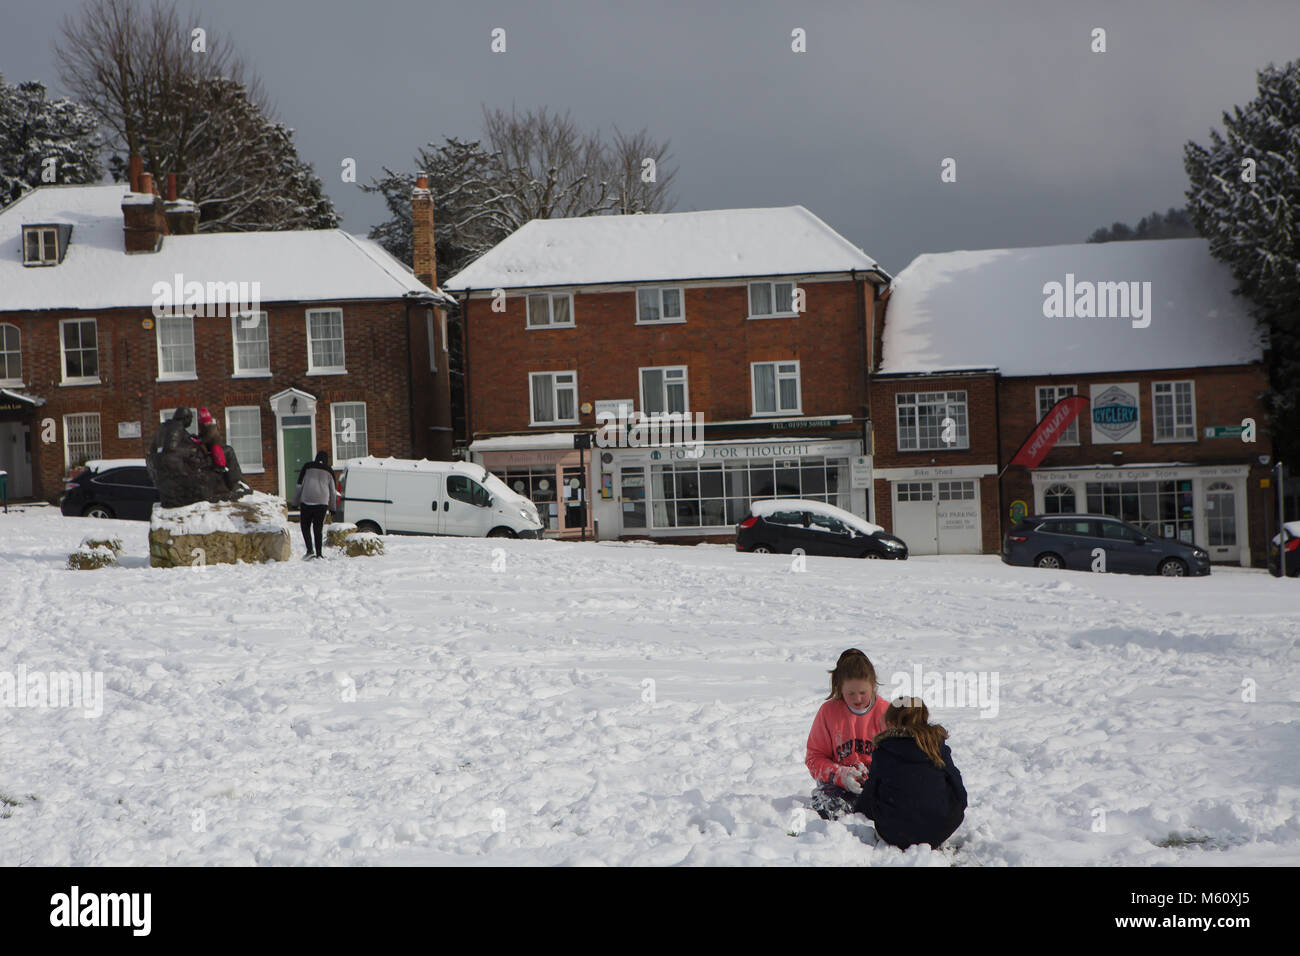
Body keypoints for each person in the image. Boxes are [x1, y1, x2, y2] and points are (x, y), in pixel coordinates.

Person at [854, 697, 967, 850]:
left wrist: (859, 809)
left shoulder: (884, 751)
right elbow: (958, 788)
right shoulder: (937, 747)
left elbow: (870, 793)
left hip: (894, 832)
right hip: (938, 831)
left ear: (891, 723)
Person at [805, 648, 891, 820]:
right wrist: (841, 775)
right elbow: (814, 759)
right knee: (828, 811)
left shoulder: (886, 713)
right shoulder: (828, 712)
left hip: (878, 787)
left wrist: (874, 777)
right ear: (839, 688)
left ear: (873, 686)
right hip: (838, 787)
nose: (857, 699)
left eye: (863, 693)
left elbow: (899, 759)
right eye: (850, 693)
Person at [292, 451, 338, 560]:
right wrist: (333, 508)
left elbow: (299, 485)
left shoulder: (307, 467)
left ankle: (309, 550)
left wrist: (294, 502)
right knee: (318, 529)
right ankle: (319, 553)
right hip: (322, 504)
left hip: (306, 502)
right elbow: (333, 492)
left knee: (305, 526)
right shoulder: (329, 471)